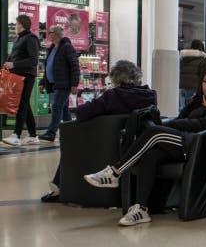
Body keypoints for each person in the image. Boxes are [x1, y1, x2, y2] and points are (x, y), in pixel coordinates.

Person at [84, 66, 206, 226]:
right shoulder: (196, 100)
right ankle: (141, 209)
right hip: (181, 141)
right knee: (151, 154)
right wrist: (171, 124)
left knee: (155, 132)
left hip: (195, 145)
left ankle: (115, 172)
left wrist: (171, 124)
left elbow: (201, 124)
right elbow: (183, 119)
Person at [40, 60, 157, 203]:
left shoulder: (113, 96)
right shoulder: (150, 96)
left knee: (73, 144)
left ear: (115, 78)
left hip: (102, 147)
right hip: (134, 146)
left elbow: (82, 113)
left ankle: (60, 187)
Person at [2, 15, 40, 147]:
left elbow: (33, 60)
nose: (15, 26)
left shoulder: (31, 38)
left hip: (27, 76)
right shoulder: (19, 39)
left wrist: (14, 65)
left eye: (16, 23)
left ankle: (16, 135)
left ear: (22, 24)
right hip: (18, 76)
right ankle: (33, 135)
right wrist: (7, 64)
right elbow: (15, 56)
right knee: (25, 104)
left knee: (21, 103)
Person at [39, 25, 80, 142]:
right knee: (64, 109)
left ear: (55, 34)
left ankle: (51, 133)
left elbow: (75, 66)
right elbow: (49, 68)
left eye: (50, 32)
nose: (48, 34)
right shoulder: (52, 48)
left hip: (63, 84)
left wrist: (74, 84)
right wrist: (42, 82)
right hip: (53, 84)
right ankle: (71, 132)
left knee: (56, 107)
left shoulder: (67, 47)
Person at [179, 40, 206, 109]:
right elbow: (203, 75)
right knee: (194, 106)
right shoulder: (202, 60)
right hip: (195, 86)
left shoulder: (184, 59)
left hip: (183, 85)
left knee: (185, 106)